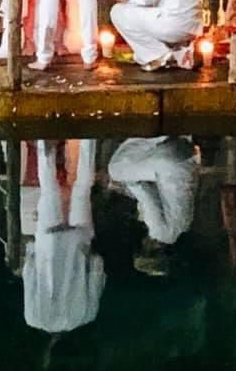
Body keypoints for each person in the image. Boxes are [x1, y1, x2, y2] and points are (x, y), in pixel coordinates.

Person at [23, 139, 105, 333]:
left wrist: (91, 255)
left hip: (78, 244)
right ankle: (44, 139)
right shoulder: (32, 318)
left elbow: (96, 269)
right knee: (49, 189)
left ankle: (88, 137)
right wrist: (32, 250)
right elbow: (29, 273)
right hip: (48, 246)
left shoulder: (87, 315)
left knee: (82, 189)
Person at [108, 136, 198, 276]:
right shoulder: (158, 233)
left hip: (187, 157)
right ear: (150, 250)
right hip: (169, 162)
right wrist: (124, 185)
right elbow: (147, 197)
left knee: (128, 172)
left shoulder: (183, 227)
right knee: (116, 170)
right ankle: (153, 136)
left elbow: (157, 194)